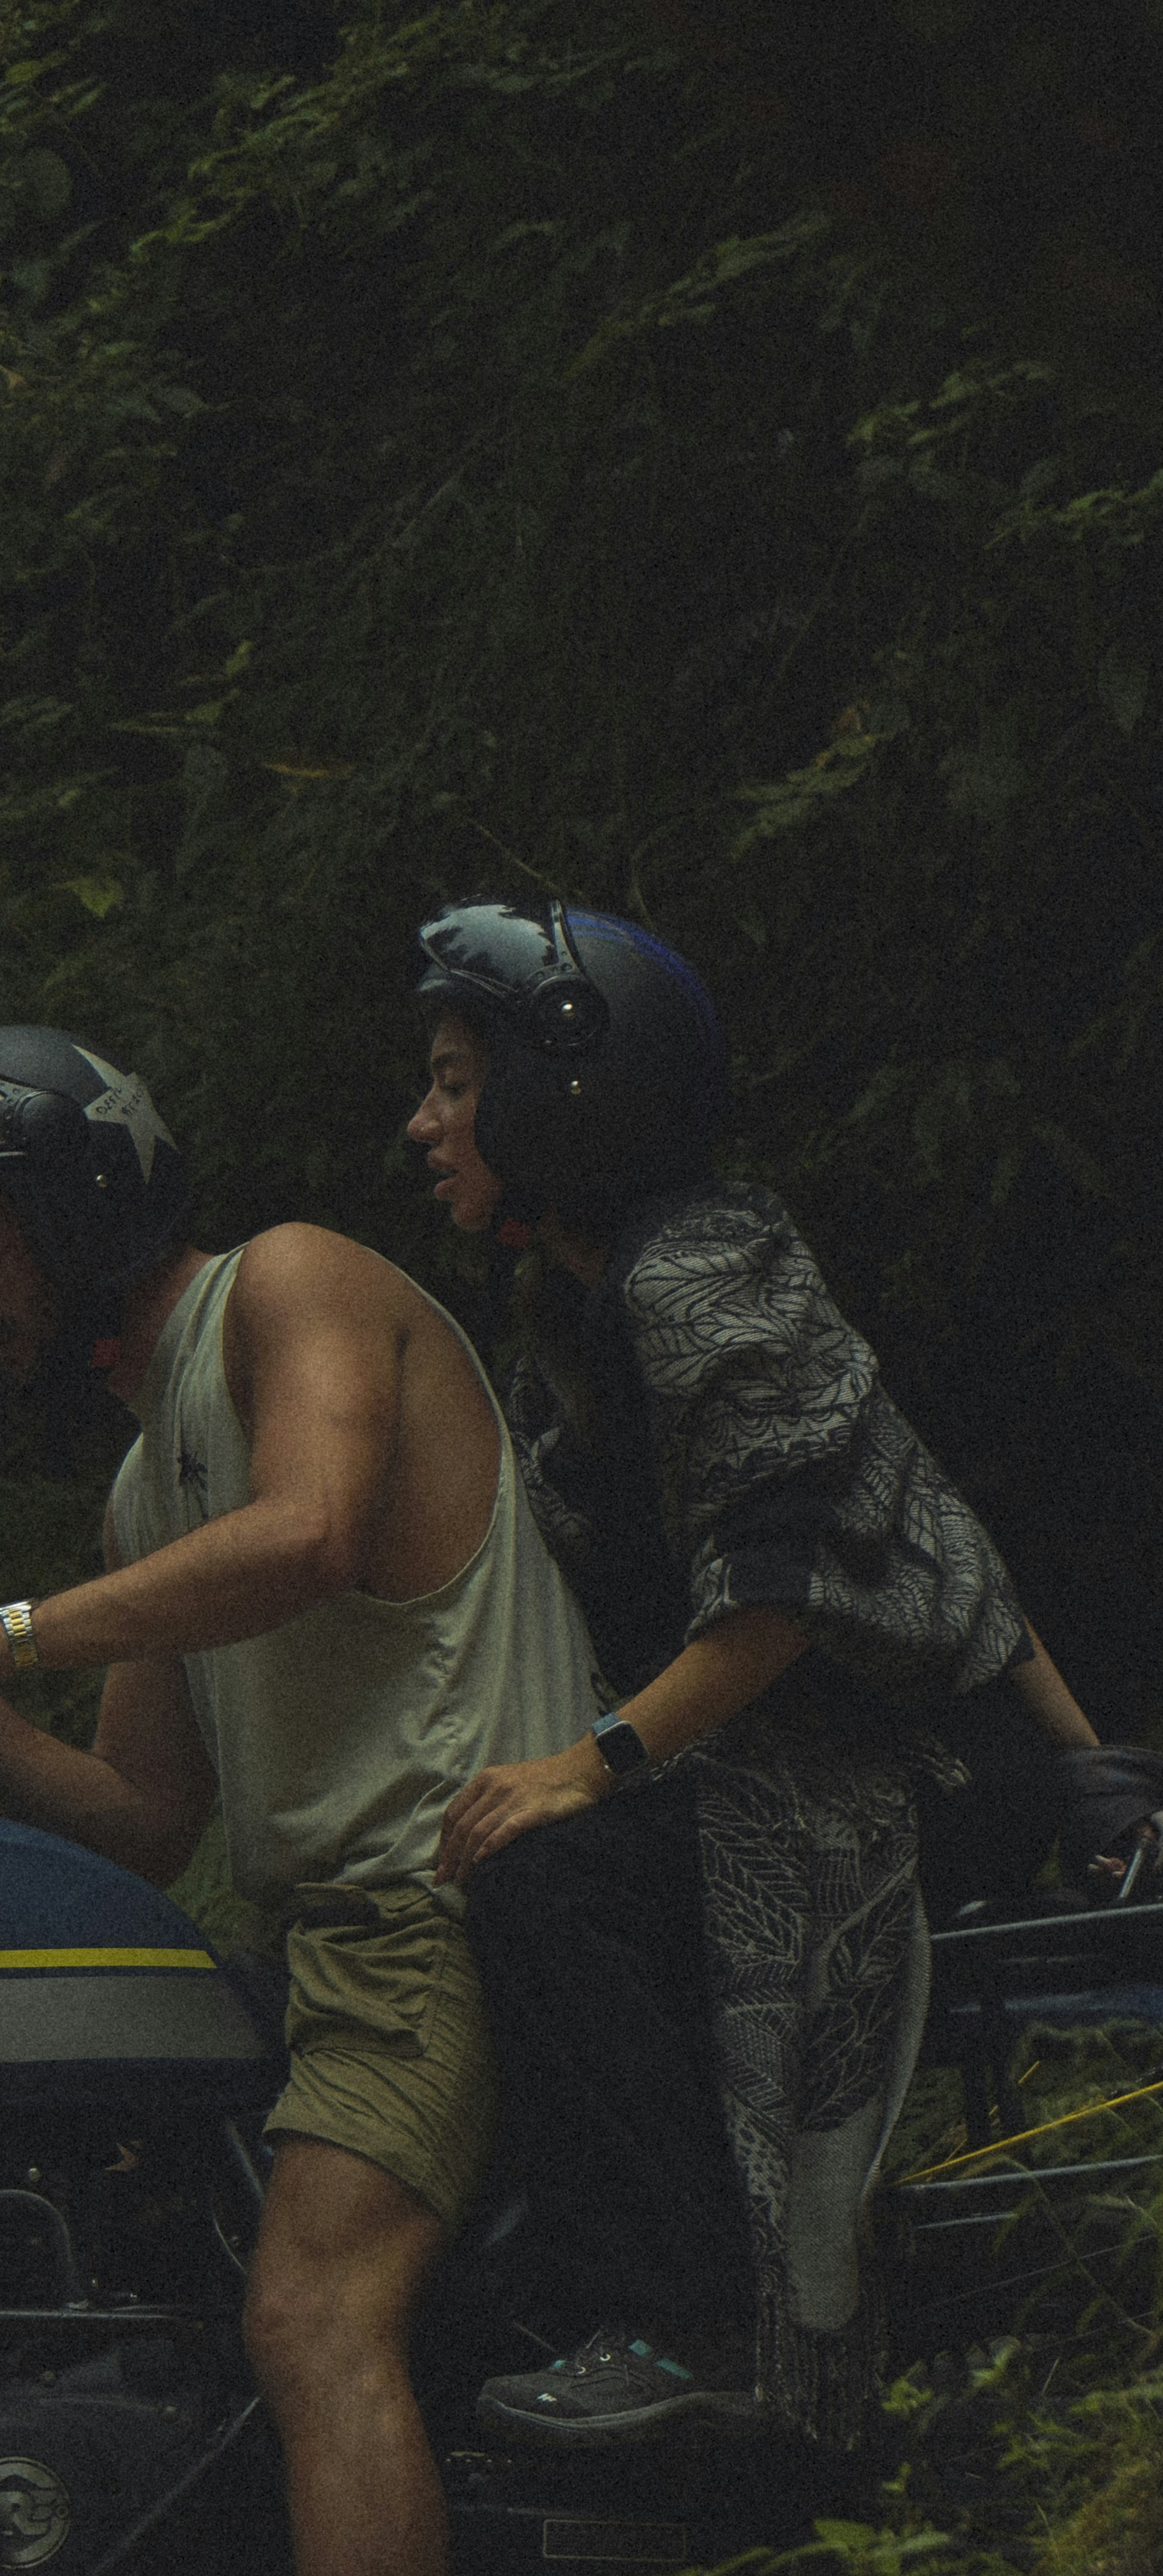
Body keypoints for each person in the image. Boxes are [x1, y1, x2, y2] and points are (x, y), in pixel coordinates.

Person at [0, 1024, 600, 2576]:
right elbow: (147, 1816)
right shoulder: (145, 1482)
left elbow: (314, 1531)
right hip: (296, 1939)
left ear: (83, 1207)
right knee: (97, 2300)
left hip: (446, 1906)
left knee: (314, 2313)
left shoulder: (296, 1286)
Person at [403, 899, 1122, 2448]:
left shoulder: (698, 1275)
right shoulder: (579, 1307)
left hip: (912, 1775)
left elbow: (789, 1588)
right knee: (531, 1858)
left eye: (456, 1083)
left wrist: (584, 1765)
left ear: (562, 1088)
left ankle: (692, 2323)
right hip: (829, 1761)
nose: (424, 1121)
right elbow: (927, 1503)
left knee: (550, 1879)